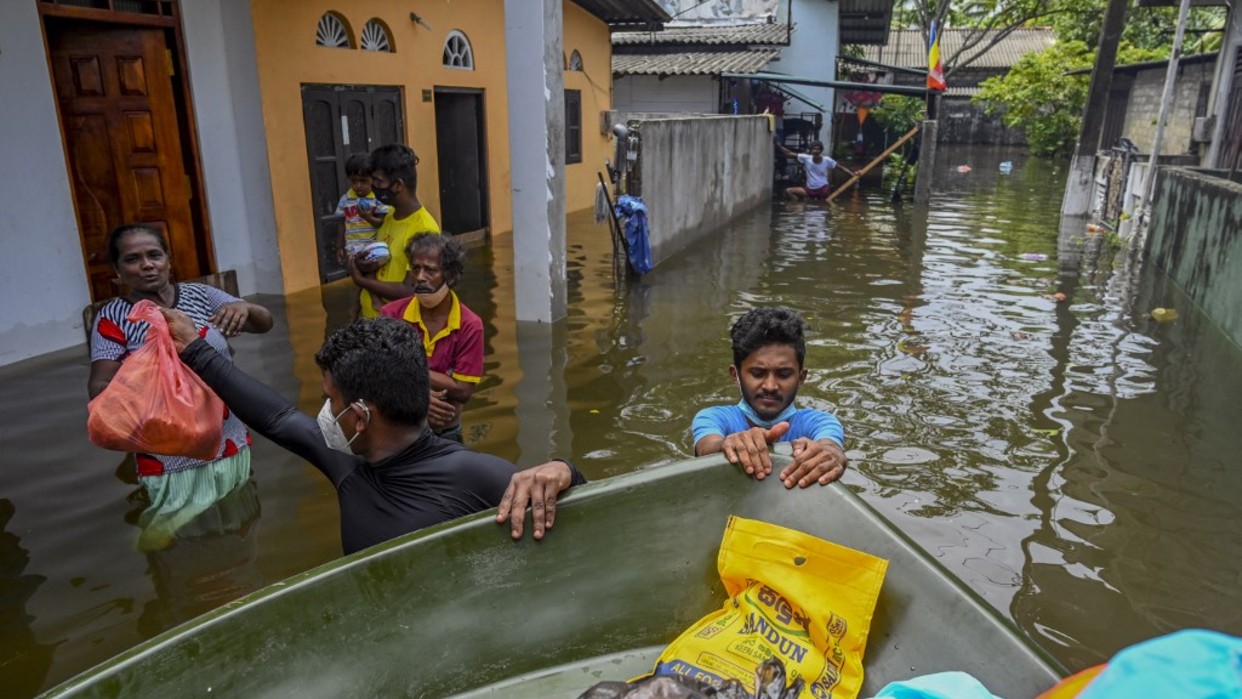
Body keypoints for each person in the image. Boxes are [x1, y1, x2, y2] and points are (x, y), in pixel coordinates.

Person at [160, 312, 583, 555]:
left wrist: (565, 473)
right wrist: (194, 349)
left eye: (331, 399)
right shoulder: (346, 463)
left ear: (360, 416)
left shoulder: (482, 477)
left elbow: (585, 536)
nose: (324, 413)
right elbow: (277, 417)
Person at [87, 223, 274, 548]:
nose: (146, 264)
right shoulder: (115, 318)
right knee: (176, 538)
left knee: (240, 522)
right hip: (168, 454)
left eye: (154, 255)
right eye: (132, 259)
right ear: (117, 271)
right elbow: (100, 387)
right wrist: (156, 386)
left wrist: (245, 307)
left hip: (227, 438)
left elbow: (264, 323)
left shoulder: (201, 296)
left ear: (168, 260)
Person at [691, 307, 847, 488]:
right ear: (735, 375)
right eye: (758, 373)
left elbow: (831, 448)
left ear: (801, 378)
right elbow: (706, 448)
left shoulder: (820, 422)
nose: (770, 386)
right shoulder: (713, 418)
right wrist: (727, 445)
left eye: (784, 374)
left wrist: (831, 456)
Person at [380, 233, 482, 443]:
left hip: (446, 435)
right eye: (416, 268)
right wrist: (419, 397)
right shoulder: (391, 314)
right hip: (399, 433)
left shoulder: (469, 325)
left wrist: (404, 372)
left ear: (451, 276)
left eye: (430, 270)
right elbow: (379, 374)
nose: (419, 277)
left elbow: (463, 391)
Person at [349, 144, 441, 319]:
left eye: (378, 181)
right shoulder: (390, 215)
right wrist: (356, 307)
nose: (373, 186)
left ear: (398, 185)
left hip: (395, 330)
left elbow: (410, 289)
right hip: (371, 324)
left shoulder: (424, 229)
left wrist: (361, 280)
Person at [334, 153, 389, 320]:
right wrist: (339, 246)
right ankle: (369, 301)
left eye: (363, 181)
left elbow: (380, 222)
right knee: (359, 275)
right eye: (354, 181)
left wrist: (367, 217)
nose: (358, 186)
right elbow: (341, 223)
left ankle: (359, 305)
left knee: (368, 272)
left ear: (372, 180)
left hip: (371, 243)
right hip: (353, 245)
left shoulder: (376, 200)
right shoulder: (346, 199)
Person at [775, 141, 856, 201]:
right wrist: (777, 144)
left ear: (821, 151)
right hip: (810, 190)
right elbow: (789, 153)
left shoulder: (827, 160)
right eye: (814, 149)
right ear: (811, 151)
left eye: (818, 149)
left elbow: (840, 167)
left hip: (823, 189)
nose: (816, 151)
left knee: (822, 205)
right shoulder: (806, 158)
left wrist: (852, 174)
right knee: (789, 191)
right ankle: (797, 205)